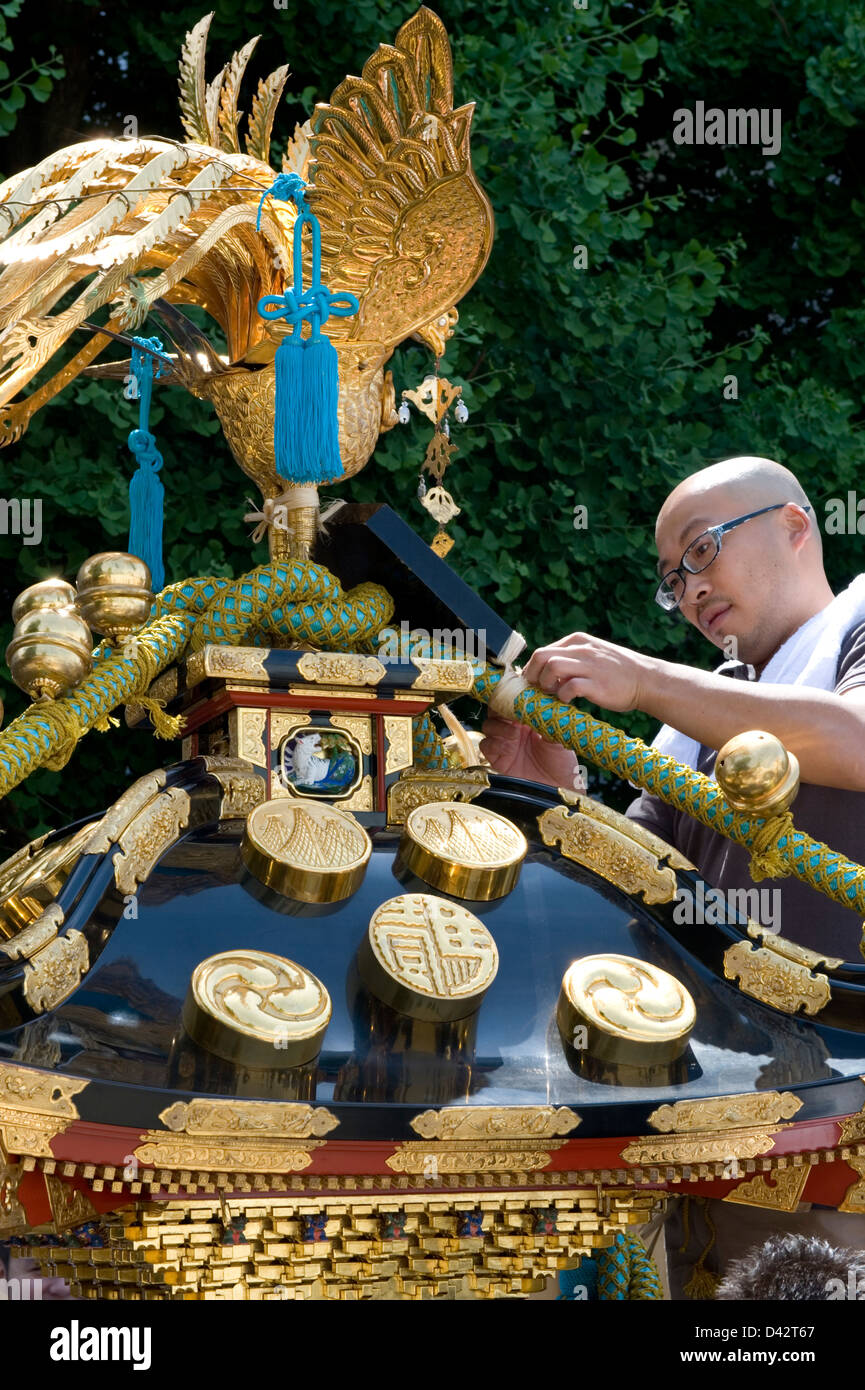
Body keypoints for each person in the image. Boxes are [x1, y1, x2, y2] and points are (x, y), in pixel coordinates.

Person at [479, 456, 865, 959]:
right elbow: (624, 896)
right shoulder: (694, 727)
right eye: (674, 581)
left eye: (703, 549)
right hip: (725, 1030)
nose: (692, 592)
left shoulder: (854, 625)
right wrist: (547, 797)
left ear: (793, 526)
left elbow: (857, 740)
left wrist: (645, 681)